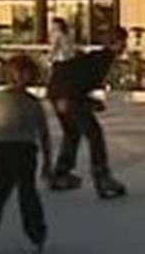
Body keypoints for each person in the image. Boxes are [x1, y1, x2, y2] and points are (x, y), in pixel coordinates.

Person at [0, 54, 51, 254]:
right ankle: (36, 235)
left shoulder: (4, 98)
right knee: (22, 195)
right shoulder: (26, 101)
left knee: (0, 196)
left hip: (12, 150)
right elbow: (44, 134)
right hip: (16, 151)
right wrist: (47, 161)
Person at [46, 26, 128, 199]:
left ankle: (61, 172)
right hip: (66, 93)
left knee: (72, 132)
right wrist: (88, 103)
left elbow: (75, 76)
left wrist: (87, 102)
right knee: (94, 133)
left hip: (57, 91)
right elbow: (78, 84)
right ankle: (102, 177)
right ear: (115, 43)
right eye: (122, 42)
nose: (125, 46)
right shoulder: (103, 59)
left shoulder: (100, 58)